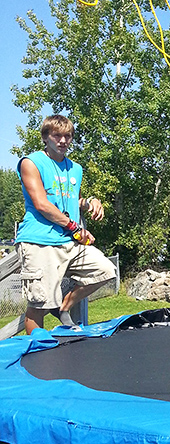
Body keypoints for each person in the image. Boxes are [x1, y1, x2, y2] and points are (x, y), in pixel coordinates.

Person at [15, 114, 117, 334]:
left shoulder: (75, 169)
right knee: (38, 305)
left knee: (106, 269)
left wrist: (91, 202)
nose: (63, 141)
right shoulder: (31, 163)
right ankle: (38, 349)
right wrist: (75, 228)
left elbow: (71, 200)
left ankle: (63, 307)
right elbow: (42, 204)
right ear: (45, 137)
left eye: (68, 136)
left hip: (68, 242)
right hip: (39, 241)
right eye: (57, 136)